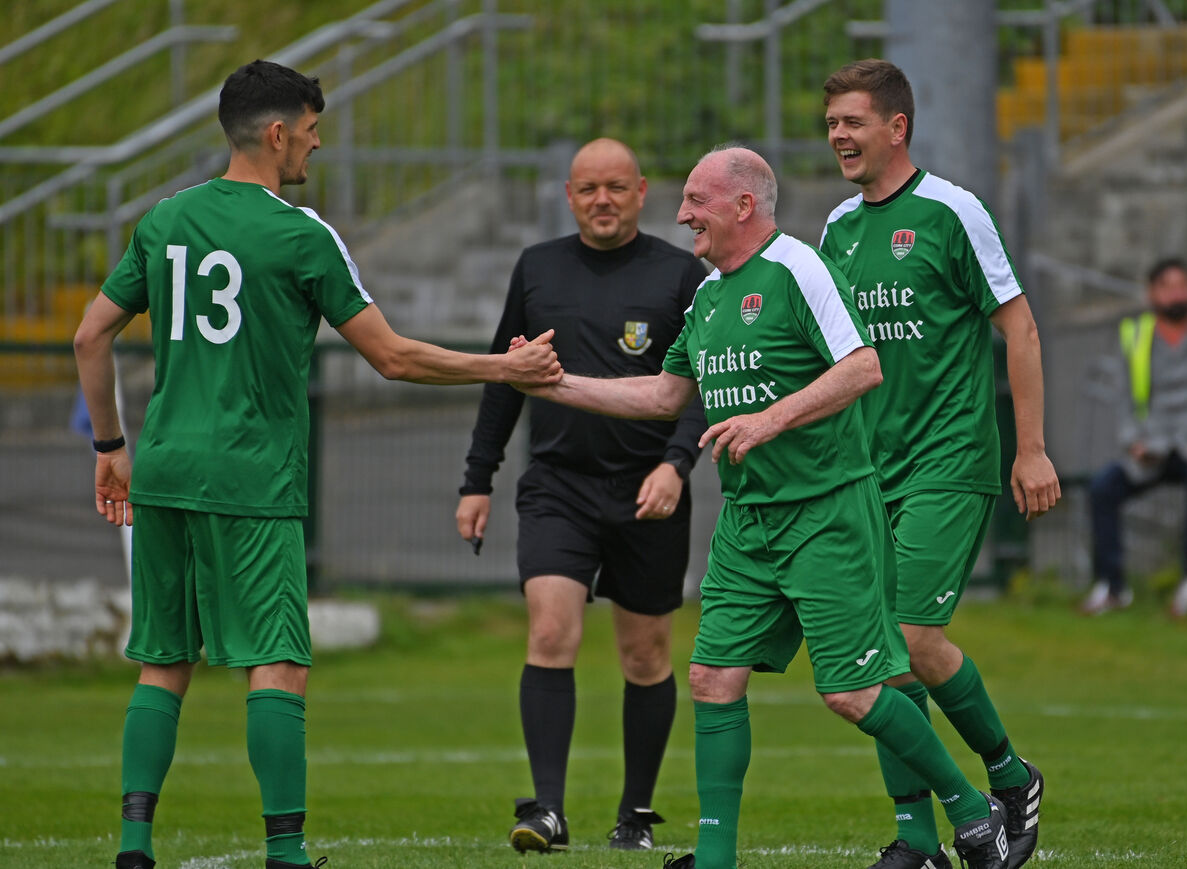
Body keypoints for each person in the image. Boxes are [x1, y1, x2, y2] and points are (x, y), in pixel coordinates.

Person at [73, 59, 561, 869]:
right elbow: (394, 358)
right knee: (279, 662)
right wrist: (505, 368)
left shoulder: (163, 220)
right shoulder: (300, 234)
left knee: (163, 660)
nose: (316, 142)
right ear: (275, 134)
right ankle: (287, 851)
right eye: (308, 129)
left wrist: (110, 446)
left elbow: (90, 334)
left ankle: (133, 844)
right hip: (252, 476)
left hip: (160, 469)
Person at [514, 144, 1011, 869]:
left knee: (851, 692)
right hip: (750, 522)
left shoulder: (798, 268)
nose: (682, 215)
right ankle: (715, 857)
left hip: (826, 512)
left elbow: (862, 366)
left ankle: (972, 812)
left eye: (696, 200)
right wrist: (552, 384)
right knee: (712, 677)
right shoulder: (710, 294)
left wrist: (770, 419)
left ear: (743, 205)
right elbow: (662, 394)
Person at [819, 59, 1059, 869]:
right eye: (831, 125)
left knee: (913, 636)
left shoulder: (955, 211)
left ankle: (1007, 774)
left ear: (898, 127)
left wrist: (1029, 447)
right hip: (868, 472)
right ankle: (918, 842)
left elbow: (1018, 327)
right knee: (881, 657)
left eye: (852, 121)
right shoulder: (837, 231)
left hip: (950, 459)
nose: (839, 137)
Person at [455, 137, 710, 853]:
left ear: (642, 191)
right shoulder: (537, 269)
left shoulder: (681, 274)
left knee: (645, 653)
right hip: (557, 486)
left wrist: (676, 464)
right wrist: (479, 479)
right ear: (570, 195)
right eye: (589, 188)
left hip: (648, 492)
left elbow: (702, 384)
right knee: (550, 631)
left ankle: (634, 815)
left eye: (617, 187)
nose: (603, 199)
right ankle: (547, 811)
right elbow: (506, 375)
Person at [1083, 257, 1187, 617]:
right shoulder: (1135, 334)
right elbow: (1123, 399)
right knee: (1102, 488)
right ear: (1151, 293)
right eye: (1166, 286)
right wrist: (1134, 442)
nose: (1175, 293)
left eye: (1181, 285)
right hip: (1153, 447)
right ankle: (1112, 587)